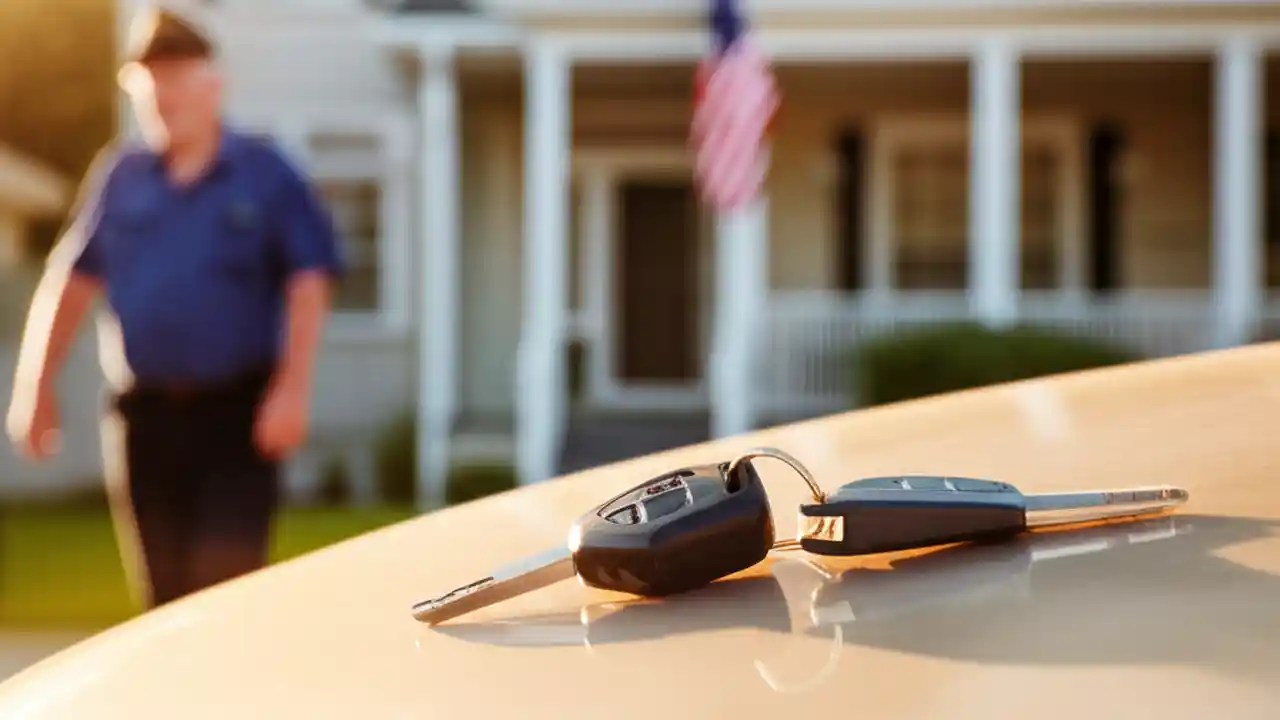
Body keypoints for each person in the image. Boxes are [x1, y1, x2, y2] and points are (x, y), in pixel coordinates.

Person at [4, 7, 343, 608]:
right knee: (161, 601)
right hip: (145, 421)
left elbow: (309, 280)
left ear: (213, 85)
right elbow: (71, 280)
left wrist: (293, 389)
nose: (163, 96)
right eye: (149, 83)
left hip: (236, 419)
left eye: (177, 79)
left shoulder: (265, 174)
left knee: (224, 596)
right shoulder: (121, 176)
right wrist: (37, 383)